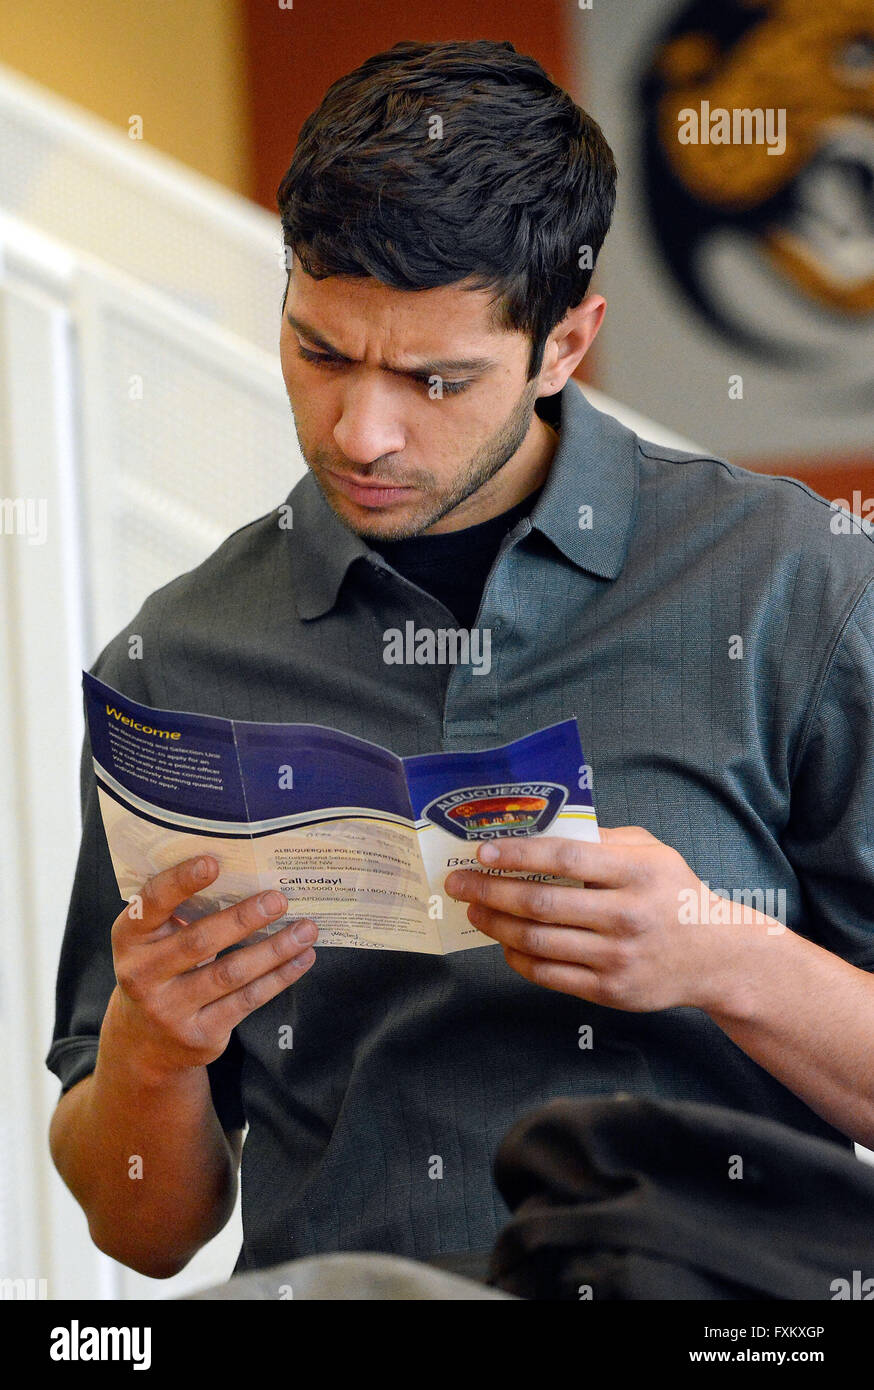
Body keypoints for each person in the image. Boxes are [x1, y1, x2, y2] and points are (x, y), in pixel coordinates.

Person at [47, 38, 874, 1285]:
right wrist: (151, 1051)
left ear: (565, 344)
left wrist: (719, 951)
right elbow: (141, 1229)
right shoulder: (177, 665)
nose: (360, 431)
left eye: (435, 378)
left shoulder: (793, 581)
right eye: (321, 352)